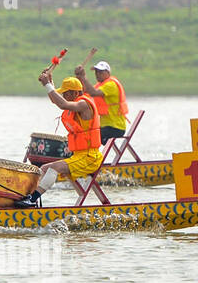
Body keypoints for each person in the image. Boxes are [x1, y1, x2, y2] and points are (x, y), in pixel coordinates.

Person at [15, 72, 103, 206]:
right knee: (43, 168)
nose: (64, 96)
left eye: (66, 93)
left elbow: (62, 104)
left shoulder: (83, 104)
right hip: (79, 156)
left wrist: (47, 84)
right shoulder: (74, 102)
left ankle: (31, 200)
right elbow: (56, 100)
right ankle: (27, 196)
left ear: (75, 93)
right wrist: (49, 83)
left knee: (54, 168)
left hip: (90, 158)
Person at [76, 60, 129, 143]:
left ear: (108, 73)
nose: (97, 74)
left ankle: (89, 151)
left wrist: (83, 77)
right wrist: (79, 78)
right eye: (96, 72)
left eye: (100, 72)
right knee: (85, 133)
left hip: (115, 127)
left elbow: (93, 92)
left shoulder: (111, 85)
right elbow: (85, 91)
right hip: (105, 126)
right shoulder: (101, 85)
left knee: (89, 136)